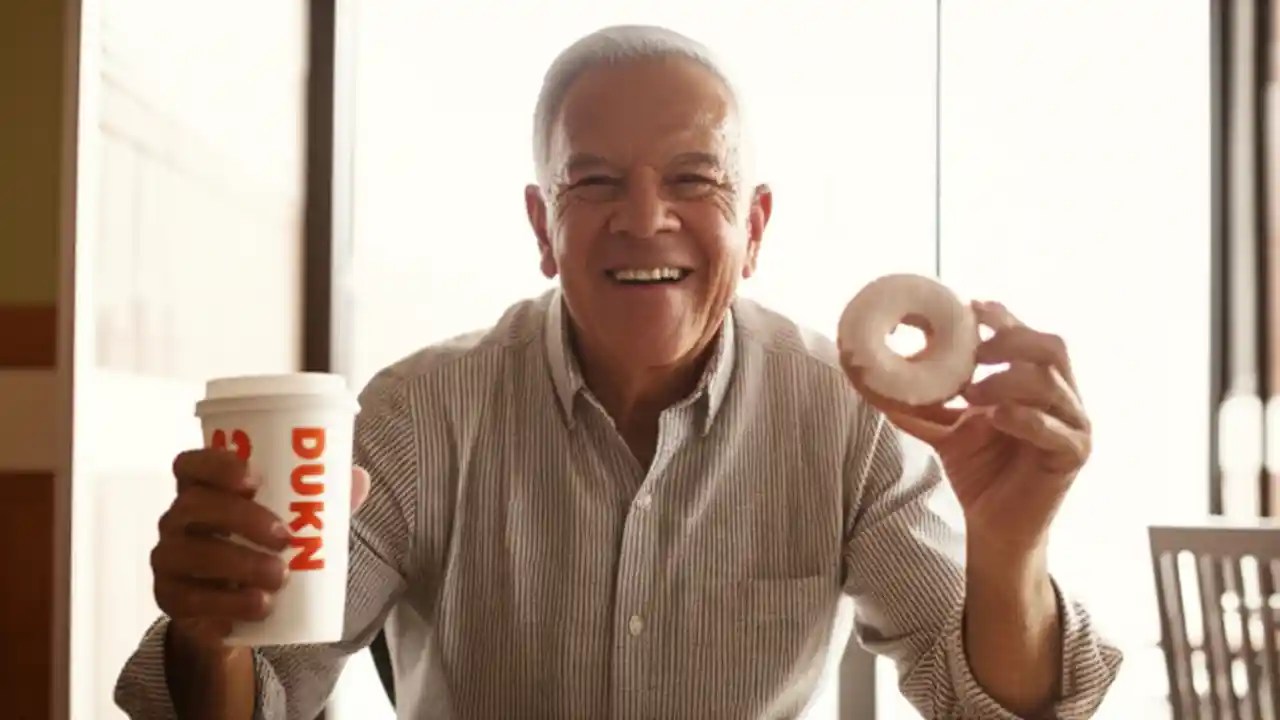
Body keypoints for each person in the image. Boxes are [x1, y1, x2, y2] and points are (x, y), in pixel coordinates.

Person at [116, 24, 1121, 720]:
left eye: (692, 179)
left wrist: (1008, 544)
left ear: (754, 224)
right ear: (541, 226)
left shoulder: (841, 417)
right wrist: (214, 634)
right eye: (593, 183)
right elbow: (268, 692)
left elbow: (979, 703)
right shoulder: (421, 413)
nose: (644, 219)